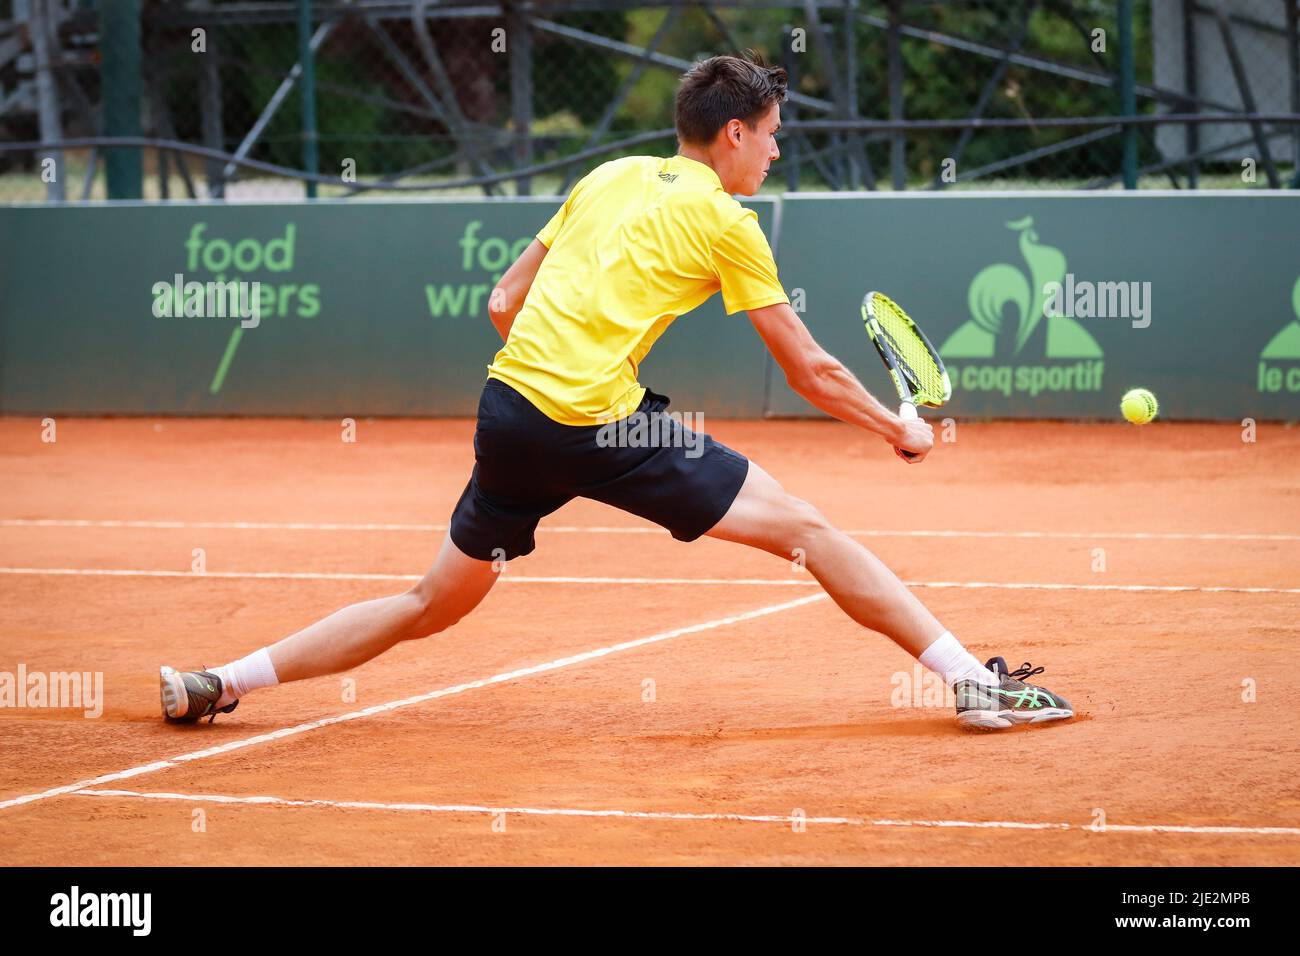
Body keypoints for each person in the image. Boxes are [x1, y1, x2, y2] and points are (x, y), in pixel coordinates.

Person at [162, 54, 1071, 733]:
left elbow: (501, 302)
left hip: (508, 413)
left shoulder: (606, 177)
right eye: (774, 132)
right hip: (597, 424)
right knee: (809, 530)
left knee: (429, 603)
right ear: (735, 135)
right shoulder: (727, 219)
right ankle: (973, 684)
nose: (778, 149)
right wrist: (892, 430)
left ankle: (222, 681)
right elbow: (810, 370)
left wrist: (555, 386)